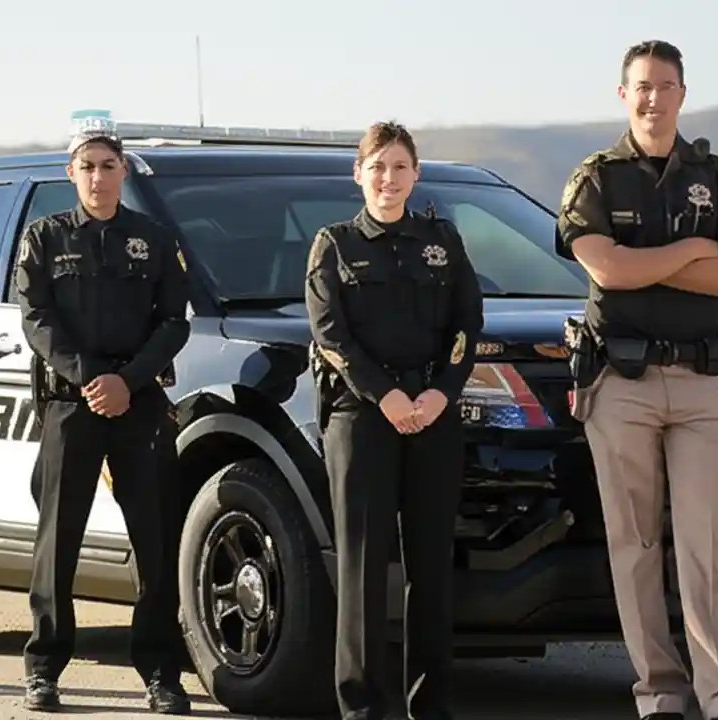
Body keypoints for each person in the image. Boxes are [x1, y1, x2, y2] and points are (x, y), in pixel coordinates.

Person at [555, 40, 718, 720]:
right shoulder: (594, 177)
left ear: (683, 93)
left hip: (704, 382)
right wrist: (689, 251)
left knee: (709, 546)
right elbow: (605, 271)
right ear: (624, 95)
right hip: (621, 383)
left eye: (665, 86)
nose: (653, 97)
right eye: (641, 86)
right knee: (637, 547)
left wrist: (640, 258)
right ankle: (660, 694)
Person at [306, 120, 484, 720]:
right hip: (361, 417)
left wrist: (440, 394)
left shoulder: (443, 241)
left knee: (431, 567)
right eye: (377, 166)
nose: (389, 178)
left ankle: (430, 705)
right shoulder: (333, 245)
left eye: (400, 166)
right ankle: (361, 707)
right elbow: (331, 335)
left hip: (433, 414)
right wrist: (385, 397)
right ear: (358, 174)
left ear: (417, 174)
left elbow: (467, 326)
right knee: (361, 567)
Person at [15, 112, 192, 714]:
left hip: (140, 405)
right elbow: (37, 319)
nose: (98, 176)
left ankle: (162, 674)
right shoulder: (45, 238)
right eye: (87, 166)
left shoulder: (156, 238)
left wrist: (128, 380)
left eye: (108, 165)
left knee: (155, 541)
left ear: (123, 171)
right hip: (72, 404)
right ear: (71, 172)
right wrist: (93, 379)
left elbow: (175, 321)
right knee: (56, 542)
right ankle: (44, 667)